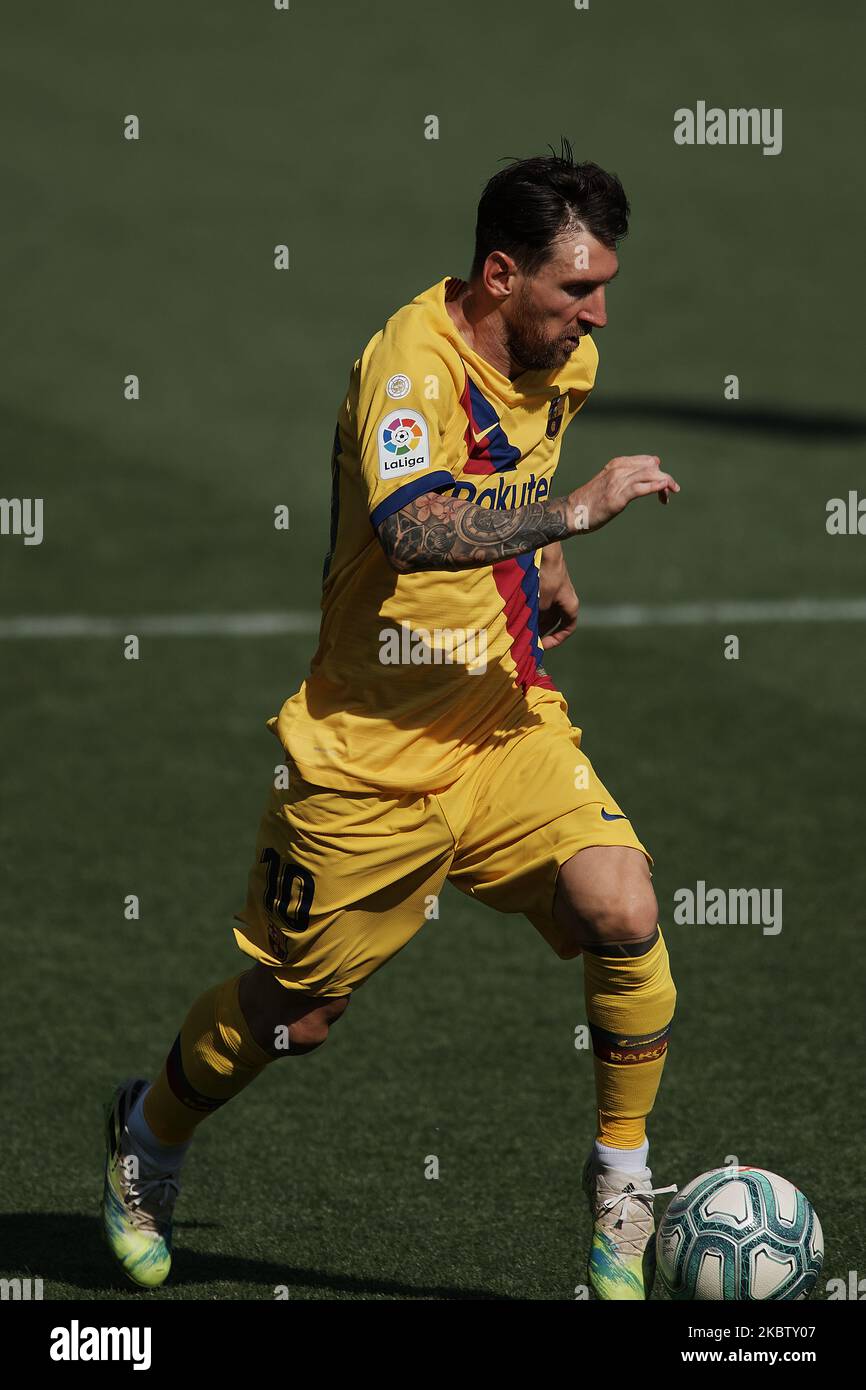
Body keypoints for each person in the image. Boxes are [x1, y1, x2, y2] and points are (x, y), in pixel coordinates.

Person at [102, 140, 680, 1300]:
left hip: (501, 720)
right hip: (363, 760)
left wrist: (549, 556)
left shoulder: (554, 358)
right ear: (500, 273)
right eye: (576, 289)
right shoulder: (410, 370)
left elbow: (520, 461)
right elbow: (414, 527)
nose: (597, 314)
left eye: (604, 286)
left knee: (619, 904)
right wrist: (576, 510)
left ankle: (622, 1181)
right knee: (292, 1022)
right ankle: (145, 1137)